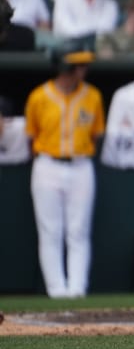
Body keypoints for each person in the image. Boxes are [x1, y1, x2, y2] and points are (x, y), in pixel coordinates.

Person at [25, 49, 104, 298]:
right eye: (78, 66)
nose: (83, 70)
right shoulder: (39, 96)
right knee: (51, 231)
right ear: (65, 67)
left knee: (78, 230)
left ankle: (77, 289)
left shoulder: (92, 96)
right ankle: (57, 291)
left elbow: (97, 134)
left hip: (81, 165)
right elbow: (31, 137)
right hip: (48, 164)